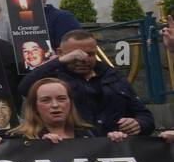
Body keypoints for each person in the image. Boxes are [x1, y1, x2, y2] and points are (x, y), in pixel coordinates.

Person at [18, 30, 154, 137]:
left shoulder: (113, 76)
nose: (83, 59)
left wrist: (138, 124)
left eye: (90, 54)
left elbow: (145, 116)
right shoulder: (54, 77)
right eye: (75, 54)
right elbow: (25, 87)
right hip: (76, 149)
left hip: (114, 148)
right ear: (61, 53)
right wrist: (59, 62)